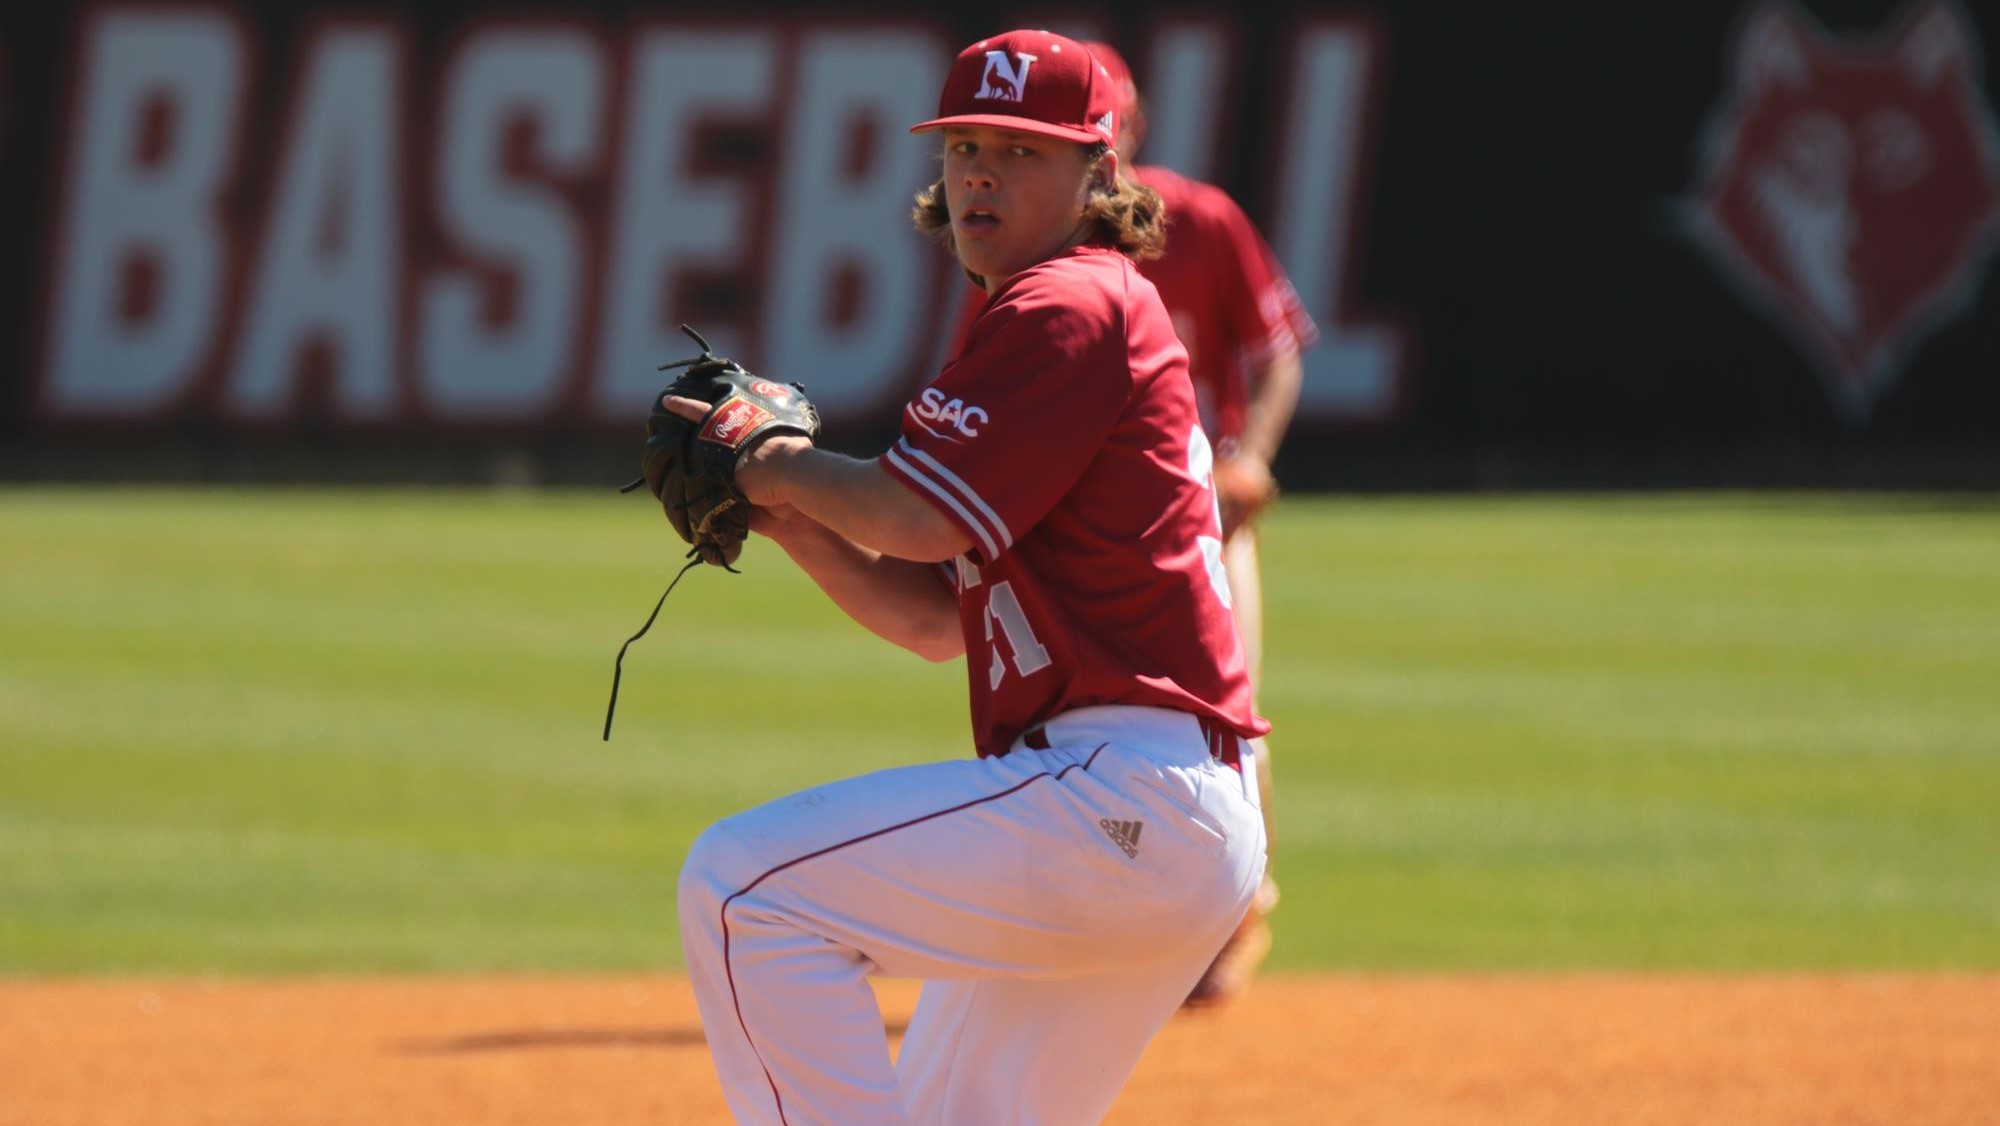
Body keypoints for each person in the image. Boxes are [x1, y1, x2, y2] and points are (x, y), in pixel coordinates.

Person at [668, 29, 1270, 1126]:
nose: (981, 173)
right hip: (1150, 822)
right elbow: (930, 617)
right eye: (964, 147)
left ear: (1098, 172)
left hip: (1116, 795)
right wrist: (787, 516)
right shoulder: (1057, 309)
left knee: (742, 890)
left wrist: (775, 461)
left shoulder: (1065, 306)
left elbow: (910, 514)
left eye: (1023, 151)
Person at [940, 40, 1317, 1009]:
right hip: (1092, 517)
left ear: (1116, 138)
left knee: (1229, 721)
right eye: (976, 146)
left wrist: (1251, 455)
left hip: (1204, 510)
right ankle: (1155, 917)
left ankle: (1231, 913)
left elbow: (1275, 351)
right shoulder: (1027, 260)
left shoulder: (1200, 220)